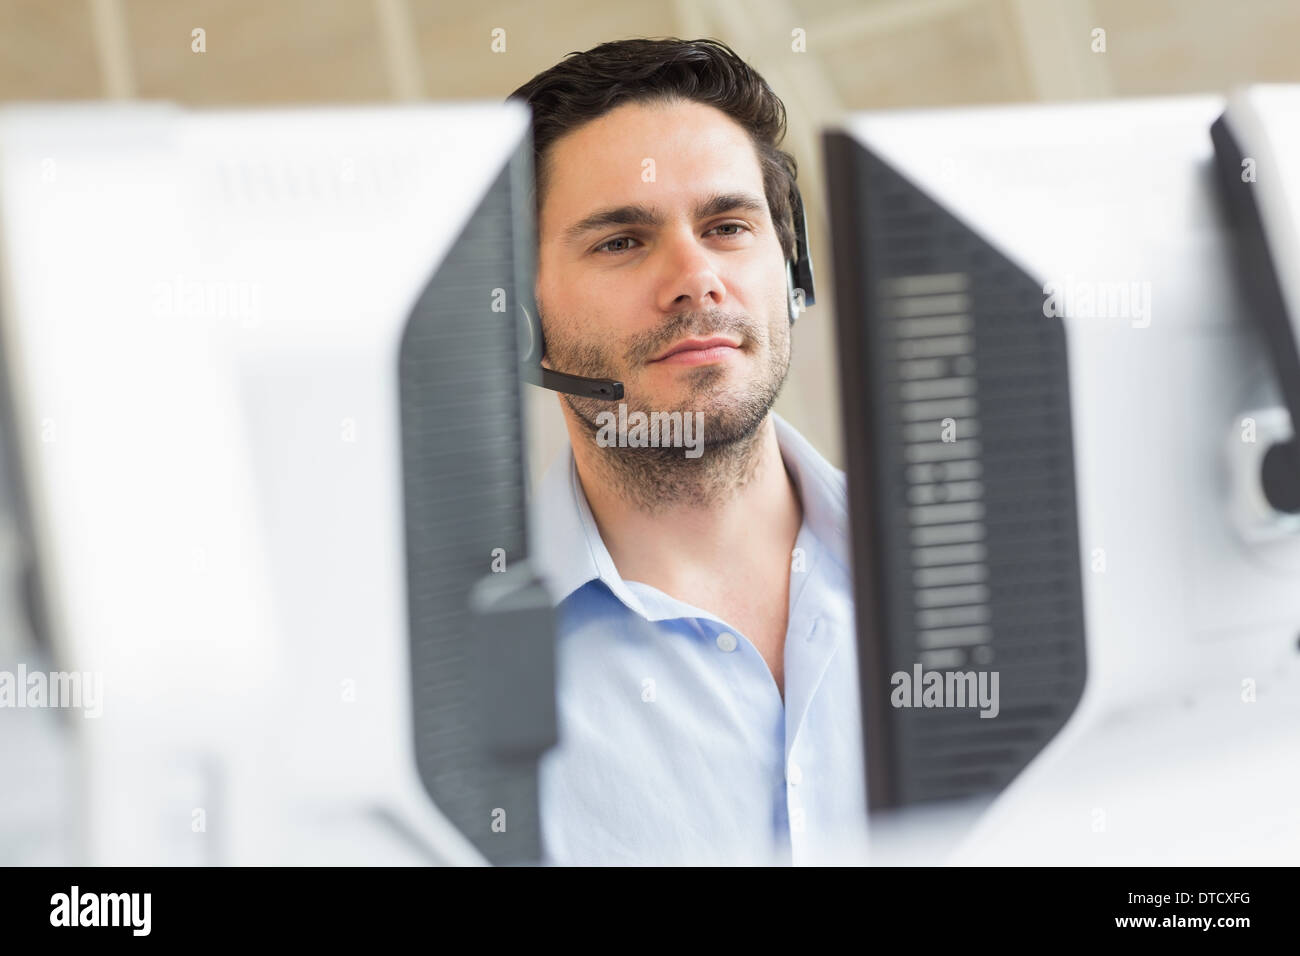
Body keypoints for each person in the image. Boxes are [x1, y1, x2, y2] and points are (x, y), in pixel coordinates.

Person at [509, 37, 867, 866]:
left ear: (793, 269)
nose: (696, 277)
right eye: (621, 241)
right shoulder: (453, 692)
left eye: (728, 226)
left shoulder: (980, 583)